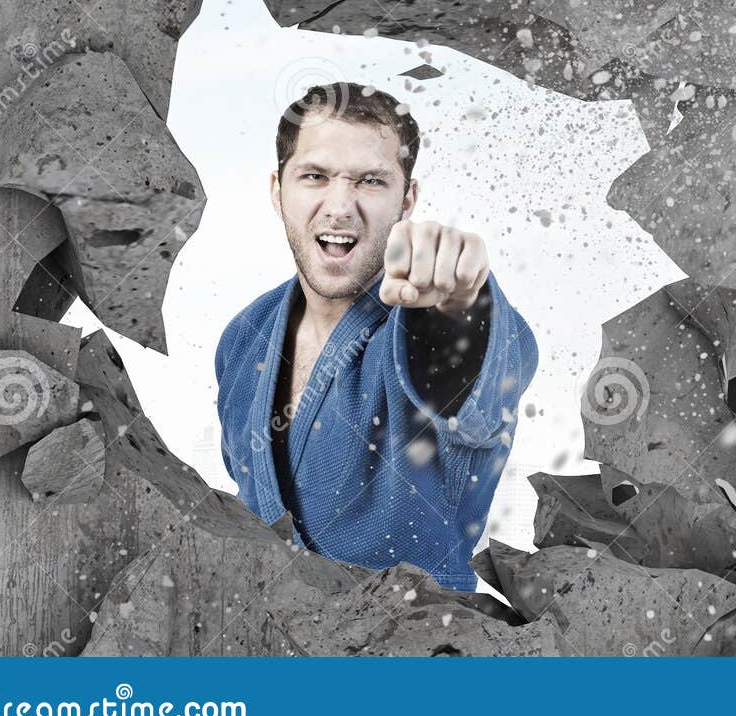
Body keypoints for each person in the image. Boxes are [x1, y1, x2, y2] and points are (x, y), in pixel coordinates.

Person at [214, 82, 537, 592]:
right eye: (314, 176)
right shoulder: (244, 337)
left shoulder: (423, 320)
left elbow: (476, 369)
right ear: (278, 190)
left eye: (369, 181)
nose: (340, 206)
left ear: (406, 200)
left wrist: (459, 306)